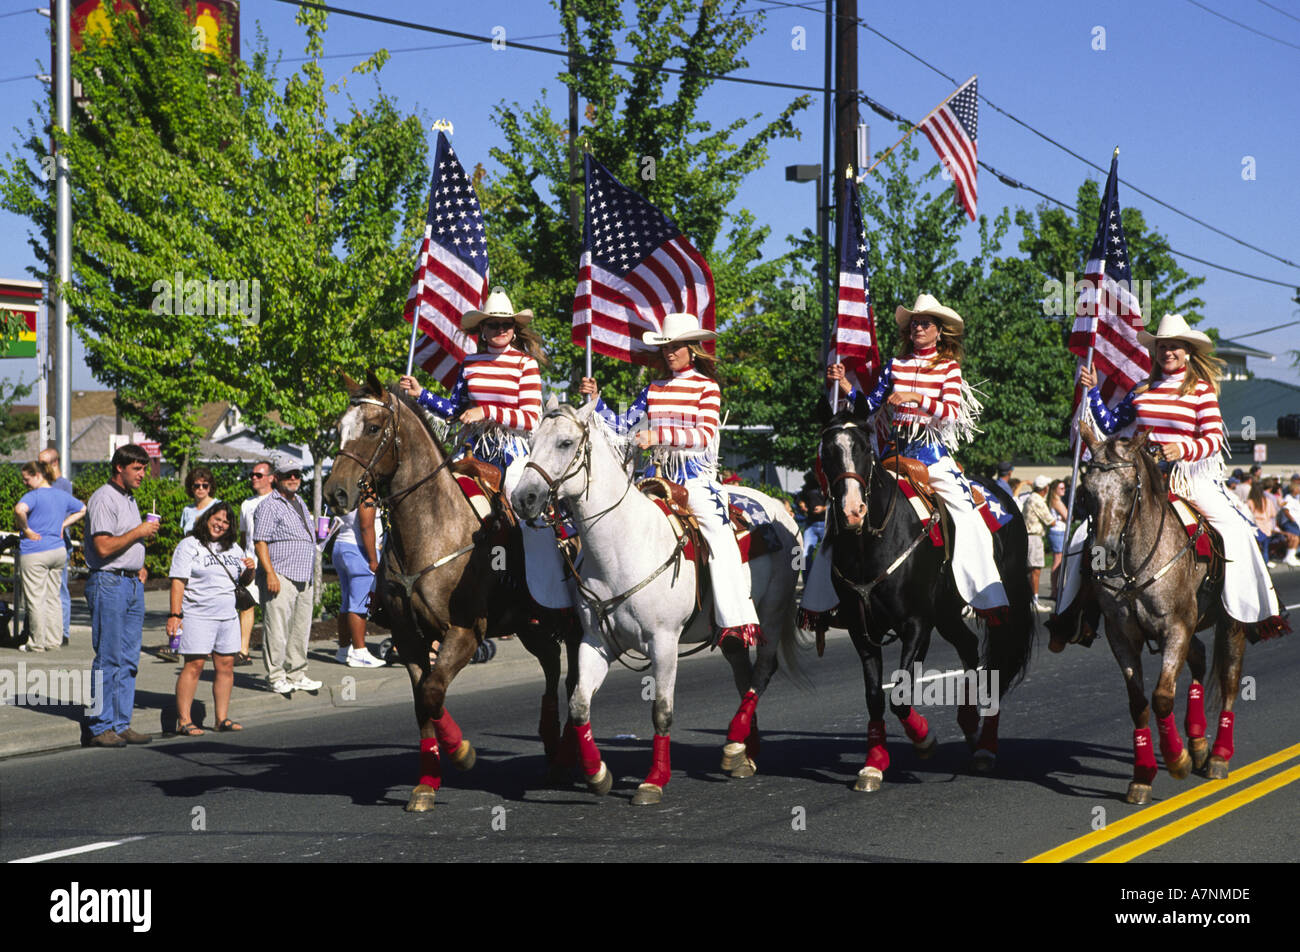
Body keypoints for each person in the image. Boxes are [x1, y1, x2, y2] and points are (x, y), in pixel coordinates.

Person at [1062, 312, 1288, 642]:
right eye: (1163, 346)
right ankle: (1073, 617)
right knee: (1086, 535)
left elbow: (1213, 438)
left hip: (1188, 478)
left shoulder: (1201, 391)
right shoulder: (1141, 390)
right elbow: (1110, 425)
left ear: (1187, 352)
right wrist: (1093, 391)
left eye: (1175, 347)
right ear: (1155, 352)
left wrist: (1182, 449)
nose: (1168, 352)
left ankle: (1250, 611)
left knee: (1237, 530)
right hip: (1140, 478)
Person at [810, 293, 1010, 627]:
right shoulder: (895, 365)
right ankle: (821, 602)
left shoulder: (949, 368)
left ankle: (983, 597)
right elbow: (871, 405)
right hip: (893, 452)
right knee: (841, 507)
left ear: (939, 331)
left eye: (925, 323)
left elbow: (951, 412)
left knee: (966, 511)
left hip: (931, 453)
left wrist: (916, 396)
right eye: (914, 323)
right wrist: (844, 383)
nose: (918, 327)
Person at [578, 311, 762, 647]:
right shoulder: (654, 388)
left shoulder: (707, 387)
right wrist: (596, 402)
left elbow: (704, 435)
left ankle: (734, 619)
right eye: (665, 347)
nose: (669, 352)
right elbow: (622, 426)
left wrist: (657, 435)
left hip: (695, 480)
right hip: (655, 477)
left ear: (692, 349)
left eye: (676, 346)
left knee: (718, 535)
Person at [397, 285, 567, 608]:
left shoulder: (525, 365)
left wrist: (487, 411)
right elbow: (455, 410)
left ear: (514, 329)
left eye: (505, 324)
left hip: (513, 453)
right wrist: (422, 395)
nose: (499, 330)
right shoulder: (470, 363)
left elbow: (531, 417)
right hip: (473, 450)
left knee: (527, 511)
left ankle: (546, 592)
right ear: (482, 329)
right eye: (492, 324)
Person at [82, 443, 160, 748]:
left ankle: (120, 722)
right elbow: (103, 546)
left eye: (144, 468)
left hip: (130, 584)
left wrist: (139, 565)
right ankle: (100, 724)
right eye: (137, 469)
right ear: (119, 468)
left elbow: (125, 543)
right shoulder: (104, 498)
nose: (142, 474)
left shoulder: (129, 499)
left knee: (129, 658)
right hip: (109, 582)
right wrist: (140, 533)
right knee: (109, 657)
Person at [166, 502, 254, 734]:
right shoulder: (189, 545)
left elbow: (240, 582)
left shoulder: (234, 548)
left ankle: (221, 719)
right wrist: (175, 615)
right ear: (207, 518)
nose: (221, 525)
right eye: (217, 519)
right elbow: (178, 581)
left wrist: (250, 571)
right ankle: (184, 720)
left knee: (225, 666)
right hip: (198, 615)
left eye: (226, 522)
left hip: (228, 617)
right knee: (194, 665)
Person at [252, 455, 322, 694]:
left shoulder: (299, 501)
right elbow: (260, 542)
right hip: (280, 572)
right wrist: (270, 573)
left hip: (304, 574)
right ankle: (276, 676)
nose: (293, 479)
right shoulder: (269, 504)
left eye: (297, 475)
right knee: (277, 628)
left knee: (300, 628)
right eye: (288, 475)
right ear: (276, 478)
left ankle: (296, 673)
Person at [13, 460, 85, 651]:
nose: (24, 483)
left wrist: (26, 529)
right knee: (54, 597)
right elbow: (82, 509)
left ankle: (36, 643)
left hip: (34, 551)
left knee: (36, 599)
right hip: (58, 550)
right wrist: (63, 524)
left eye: (26, 479)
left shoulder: (33, 496)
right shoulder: (61, 495)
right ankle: (54, 640)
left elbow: (19, 509)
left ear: (37, 476)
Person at [332, 499, 386, 667]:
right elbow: (366, 527)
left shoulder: (348, 495)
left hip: (342, 545)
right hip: (359, 550)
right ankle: (359, 652)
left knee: (347, 602)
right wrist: (373, 560)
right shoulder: (366, 498)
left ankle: (343, 649)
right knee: (359, 603)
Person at [235, 459, 274, 666]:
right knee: (246, 605)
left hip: (272, 564)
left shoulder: (277, 501)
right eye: (252, 475)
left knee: (272, 609)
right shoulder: (247, 504)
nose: (254, 478)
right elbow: (244, 536)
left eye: (259, 475)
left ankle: (274, 651)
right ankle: (243, 650)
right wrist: (244, 559)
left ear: (271, 478)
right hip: (251, 563)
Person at [37, 448, 74, 645]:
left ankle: (62, 632)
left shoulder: (63, 485)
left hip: (58, 543)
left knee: (59, 588)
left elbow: (67, 512)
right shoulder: (42, 484)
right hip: (41, 544)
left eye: (42, 464)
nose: (38, 468)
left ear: (54, 463)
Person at [1020, 475, 1053, 610]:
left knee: (1030, 569)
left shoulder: (1030, 498)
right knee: (1035, 570)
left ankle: (1030, 599)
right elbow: (1050, 520)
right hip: (1034, 536)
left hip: (1029, 536)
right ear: (1045, 488)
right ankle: (1034, 600)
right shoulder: (1037, 500)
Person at [179, 466, 221, 535]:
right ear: (191, 488)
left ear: (210, 487)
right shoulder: (187, 510)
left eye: (205, 486)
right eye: (197, 485)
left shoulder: (218, 506)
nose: (201, 488)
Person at [1047, 479, 1069, 591]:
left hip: (1058, 532)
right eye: (1061, 488)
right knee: (1058, 561)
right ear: (1055, 489)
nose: (1064, 490)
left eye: (1064, 488)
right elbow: (1068, 517)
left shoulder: (1054, 500)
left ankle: (1055, 588)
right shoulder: (1057, 501)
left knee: (1058, 561)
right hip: (1058, 532)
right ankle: (1055, 590)